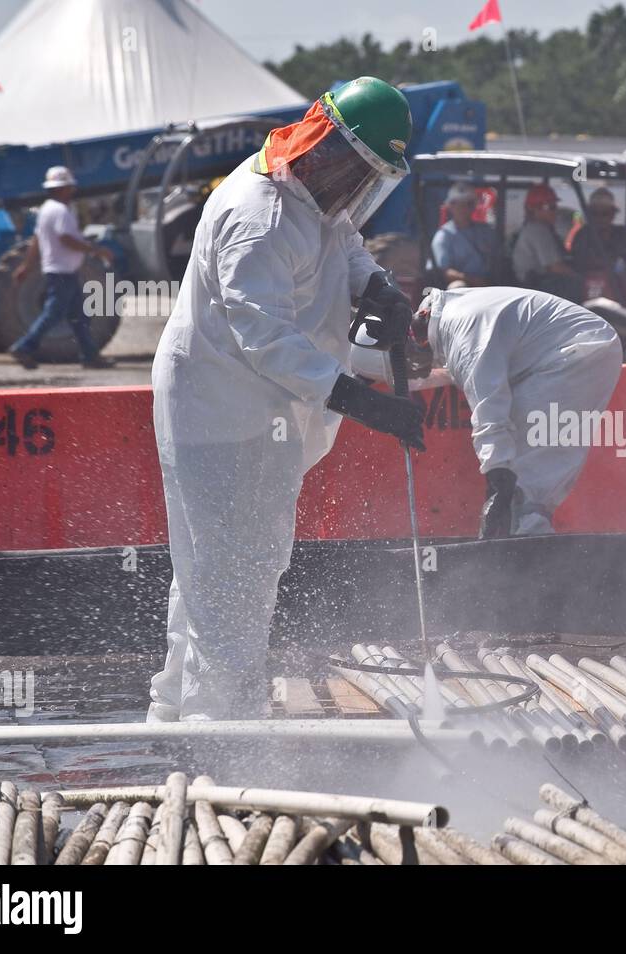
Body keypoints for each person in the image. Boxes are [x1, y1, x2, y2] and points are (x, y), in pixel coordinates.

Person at [147, 77, 425, 723]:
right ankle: (226, 723)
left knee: (238, 563)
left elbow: (342, 240)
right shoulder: (257, 214)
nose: (357, 190)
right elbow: (263, 337)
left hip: (263, 409)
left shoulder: (313, 189)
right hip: (218, 408)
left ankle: (175, 712)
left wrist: (375, 284)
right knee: (227, 573)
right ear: (328, 147)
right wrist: (363, 401)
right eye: (358, 172)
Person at [406, 286, 623, 538]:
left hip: (576, 350)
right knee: (526, 475)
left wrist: (498, 478)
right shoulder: (451, 317)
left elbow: (489, 410)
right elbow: (461, 374)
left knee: (527, 473)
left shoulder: (465, 336)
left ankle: (530, 556)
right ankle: (528, 545)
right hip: (576, 345)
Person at [9, 166, 116, 369]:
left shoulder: (46, 209)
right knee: (54, 314)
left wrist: (26, 265)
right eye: (68, 187)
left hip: (62, 270)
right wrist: (96, 250)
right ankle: (24, 346)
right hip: (62, 272)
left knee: (79, 317)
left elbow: (37, 240)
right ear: (61, 189)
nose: (72, 191)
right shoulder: (60, 211)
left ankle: (90, 356)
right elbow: (66, 238)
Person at [511, 183, 584, 302]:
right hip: (536, 288)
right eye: (550, 207)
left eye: (555, 206)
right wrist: (582, 277)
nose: (555, 211)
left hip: (539, 286)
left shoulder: (544, 229)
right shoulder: (537, 230)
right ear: (534, 209)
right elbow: (554, 267)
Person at [430, 183, 498, 286]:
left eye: (468, 203)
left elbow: (497, 259)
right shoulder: (443, 235)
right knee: (457, 286)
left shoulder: (486, 231)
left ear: (474, 206)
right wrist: (473, 280)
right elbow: (443, 272)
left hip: (488, 284)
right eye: (458, 203)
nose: (463, 208)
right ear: (450, 206)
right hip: (461, 286)